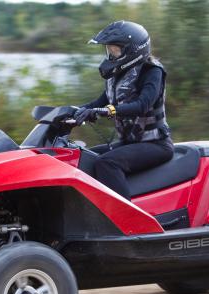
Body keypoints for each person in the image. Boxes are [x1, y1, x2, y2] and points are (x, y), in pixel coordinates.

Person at [74, 20, 174, 199]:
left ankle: (126, 221)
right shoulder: (118, 74)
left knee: (107, 163)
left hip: (156, 144)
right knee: (81, 157)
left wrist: (106, 111)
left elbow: (143, 105)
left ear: (133, 50)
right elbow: (101, 100)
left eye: (115, 50)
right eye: (109, 50)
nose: (111, 54)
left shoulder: (152, 71)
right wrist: (72, 111)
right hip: (131, 142)